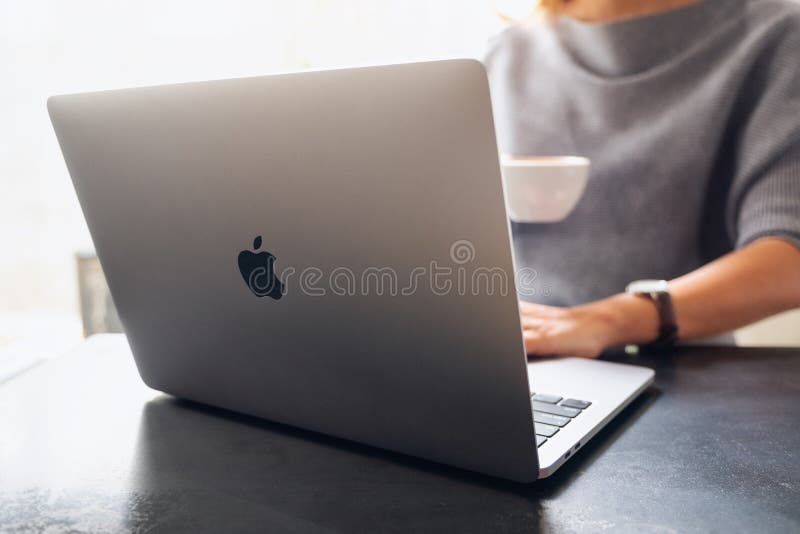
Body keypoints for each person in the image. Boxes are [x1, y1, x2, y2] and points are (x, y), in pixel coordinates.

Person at [483, 0, 800, 357]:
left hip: (677, 372)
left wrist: (610, 319)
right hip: (525, 359)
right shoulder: (505, 52)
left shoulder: (778, 36)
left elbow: (788, 258)